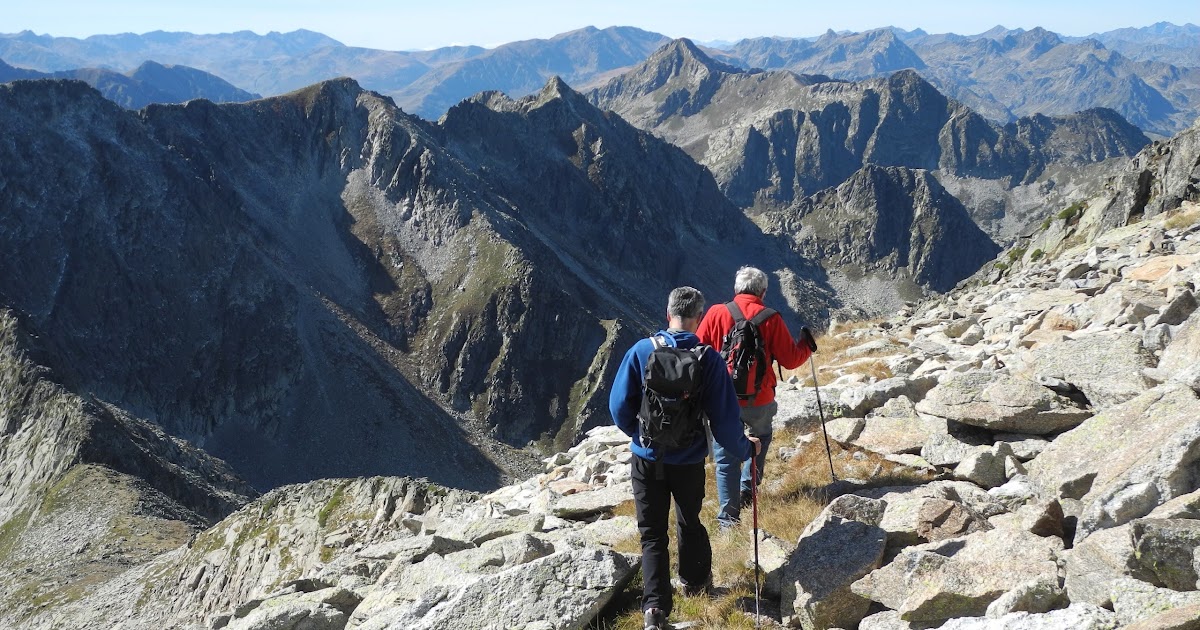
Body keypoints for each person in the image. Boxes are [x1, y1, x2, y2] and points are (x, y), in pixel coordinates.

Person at [610, 286, 761, 630]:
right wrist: (746, 448)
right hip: (689, 459)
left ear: (669, 313)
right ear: (699, 318)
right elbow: (724, 423)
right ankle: (695, 582)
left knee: (652, 533)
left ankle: (654, 609)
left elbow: (618, 408)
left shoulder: (641, 350)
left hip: (646, 458)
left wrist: (641, 436)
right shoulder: (709, 359)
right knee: (689, 520)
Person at [697, 266, 814, 530]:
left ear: (736, 289)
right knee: (761, 438)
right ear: (763, 292)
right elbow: (791, 360)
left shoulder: (716, 313)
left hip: (723, 399)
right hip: (760, 398)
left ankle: (728, 520)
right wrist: (806, 345)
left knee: (725, 457)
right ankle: (749, 489)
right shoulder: (770, 318)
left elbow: (697, 350)